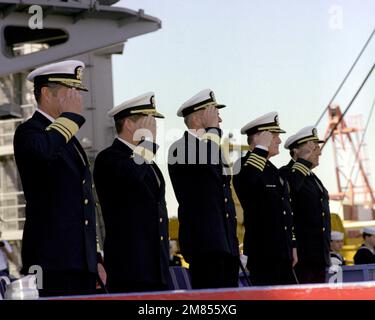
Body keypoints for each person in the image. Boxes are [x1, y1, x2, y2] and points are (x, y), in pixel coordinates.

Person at [13, 60, 103, 297]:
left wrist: (96, 258)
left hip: (80, 262)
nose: (77, 100)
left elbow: (84, 204)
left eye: (78, 93)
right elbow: (43, 152)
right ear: (46, 93)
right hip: (51, 260)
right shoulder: (29, 131)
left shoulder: (68, 139)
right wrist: (71, 118)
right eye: (69, 91)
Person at [93, 92, 170, 293]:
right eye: (148, 121)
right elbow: (131, 175)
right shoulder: (109, 159)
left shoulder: (146, 161)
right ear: (128, 124)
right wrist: (147, 144)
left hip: (156, 269)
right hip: (130, 268)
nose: (154, 127)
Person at [168, 89, 239, 289]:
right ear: (200, 117)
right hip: (205, 245)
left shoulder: (212, 147)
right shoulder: (180, 148)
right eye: (216, 113)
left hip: (226, 245)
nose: (220, 120)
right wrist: (212, 132)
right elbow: (205, 161)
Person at [233, 112, 297, 286]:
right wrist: (261, 148)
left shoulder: (274, 171)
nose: (279, 141)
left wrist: (292, 245)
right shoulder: (243, 165)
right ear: (261, 137)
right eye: (274, 136)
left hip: (283, 253)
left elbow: (286, 212)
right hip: (263, 253)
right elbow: (249, 183)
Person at [280, 126, 331, 283]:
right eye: (312, 147)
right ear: (296, 151)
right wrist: (303, 161)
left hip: (318, 256)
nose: (318, 152)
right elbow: (292, 192)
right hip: (301, 256)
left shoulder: (314, 179)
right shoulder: (286, 173)